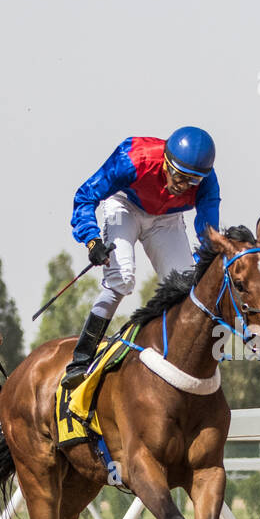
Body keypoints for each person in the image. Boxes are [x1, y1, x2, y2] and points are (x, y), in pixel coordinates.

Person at [62, 126, 220, 390]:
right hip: (125, 205)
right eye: (179, 176)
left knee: (188, 286)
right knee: (121, 279)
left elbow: (209, 235)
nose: (182, 187)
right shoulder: (134, 158)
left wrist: (200, 263)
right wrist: (92, 240)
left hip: (166, 220)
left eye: (192, 182)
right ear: (166, 163)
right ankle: (81, 359)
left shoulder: (208, 183)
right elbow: (85, 196)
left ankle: (179, 360)